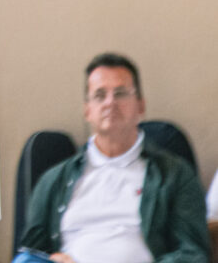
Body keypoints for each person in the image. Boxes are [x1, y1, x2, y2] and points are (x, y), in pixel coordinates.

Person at [18, 53, 210, 263]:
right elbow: (30, 254)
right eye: (100, 95)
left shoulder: (174, 175)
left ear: (141, 105)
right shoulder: (54, 181)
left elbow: (194, 254)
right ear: (87, 110)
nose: (110, 102)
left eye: (120, 93)